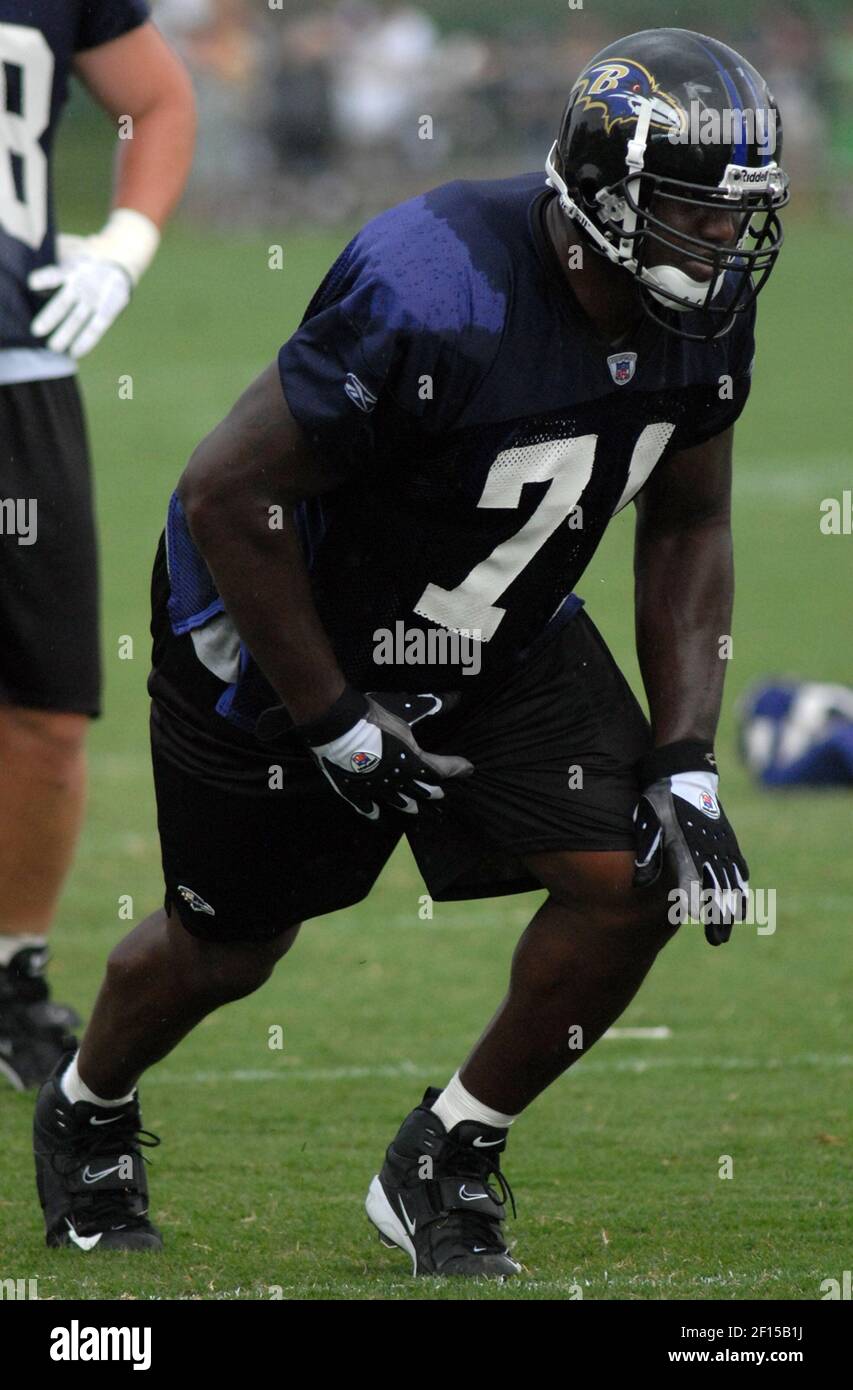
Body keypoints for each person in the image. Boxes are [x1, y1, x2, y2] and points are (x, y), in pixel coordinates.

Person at [33, 29, 788, 1272]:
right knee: (227, 947)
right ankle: (89, 1106)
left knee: (640, 873)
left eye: (737, 217)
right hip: (282, 629)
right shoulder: (437, 284)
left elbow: (689, 514)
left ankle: (446, 1153)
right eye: (698, 215)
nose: (725, 247)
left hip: (497, 625)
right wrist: (328, 714)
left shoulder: (701, 318)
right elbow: (230, 498)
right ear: (602, 201)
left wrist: (686, 751)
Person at [0, 2, 195, 1090]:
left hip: (17, 374)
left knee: (45, 709)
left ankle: (11, 977)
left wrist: (124, 245)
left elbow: (159, 97)